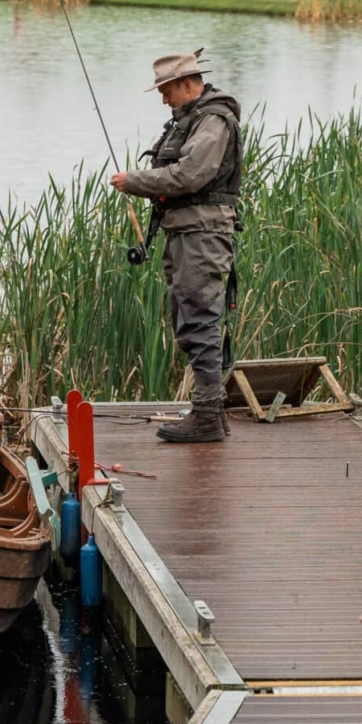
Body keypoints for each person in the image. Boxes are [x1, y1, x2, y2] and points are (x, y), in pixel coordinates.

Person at [109, 50, 242, 443]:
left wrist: (135, 182)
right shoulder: (193, 119)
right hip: (188, 234)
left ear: (188, 84)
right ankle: (210, 413)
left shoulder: (213, 121)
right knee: (190, 318)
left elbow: (190, 174)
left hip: (202, 235)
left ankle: (206, 416)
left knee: (199, 319)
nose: (163, 99)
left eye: (166, 90)